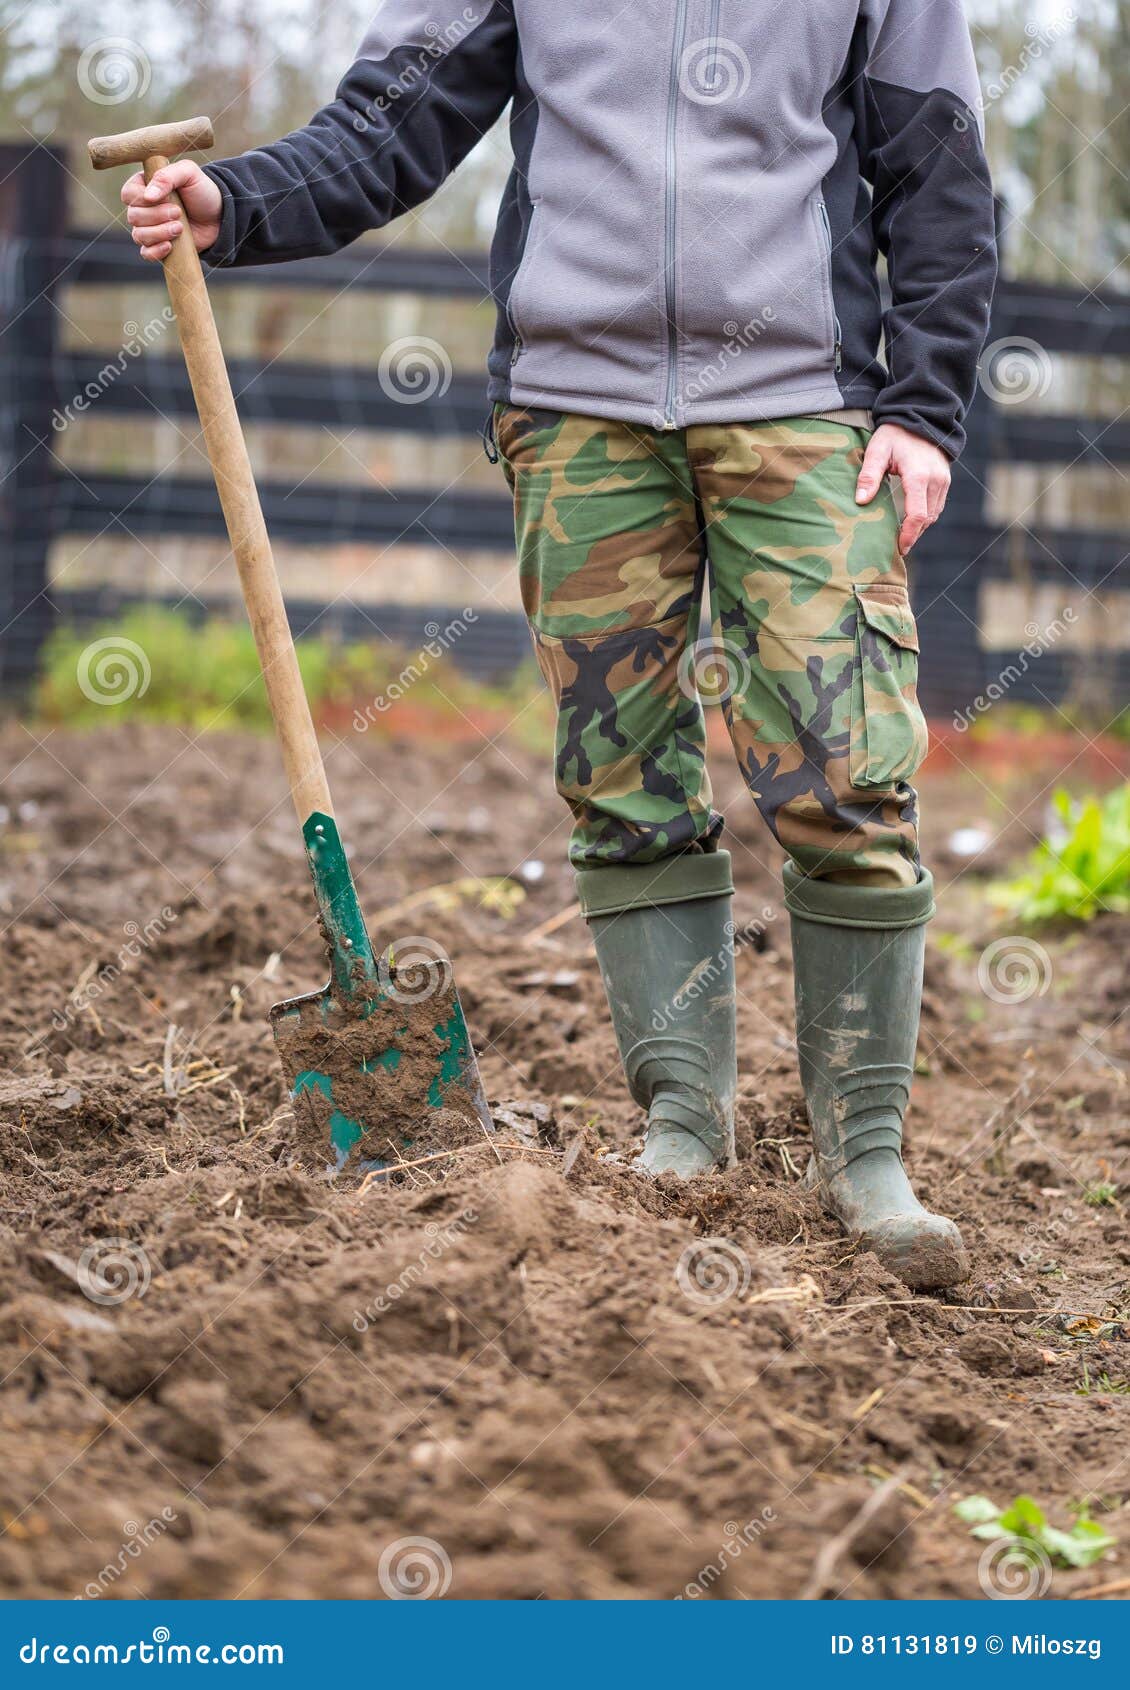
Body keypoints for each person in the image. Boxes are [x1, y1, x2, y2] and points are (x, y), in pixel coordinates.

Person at [121, 0, 996, 1290]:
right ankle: (683, 1127)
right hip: (577, 413)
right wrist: (235, 201)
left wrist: (924, 404)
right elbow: (396, 117)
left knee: (846, 768)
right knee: (622, 779)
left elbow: (937, 164)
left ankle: (866, 1159)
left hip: (809, 411)